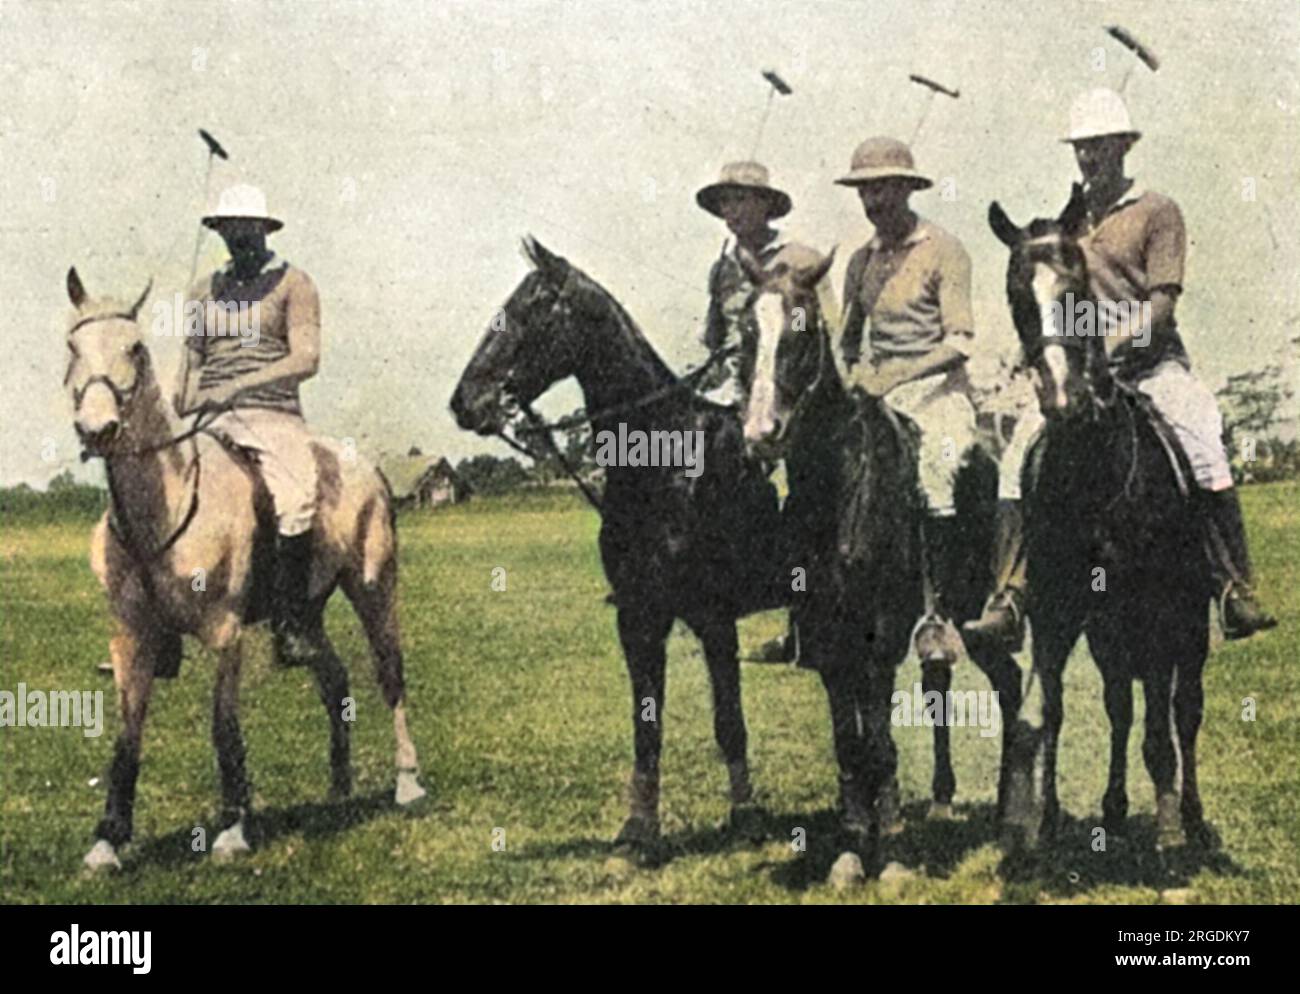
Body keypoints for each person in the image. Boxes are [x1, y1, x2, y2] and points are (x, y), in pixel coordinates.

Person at [965, 88, 1276, 646]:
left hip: (1153, 367)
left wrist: (1109, 344)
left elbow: (1161, 303)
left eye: (1101, 146)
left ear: (1124, 147)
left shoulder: (1157, 211)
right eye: (1082, 147)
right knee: (1016, 457)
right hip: (1082, 376)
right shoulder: (1071, 223)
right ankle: (1010, 593)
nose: (1090, 157)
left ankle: (1232, 587)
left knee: (1203, 435)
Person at [836, 137, 980, 665]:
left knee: (936, 469)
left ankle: (936, 615)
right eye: (864, 190)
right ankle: (810, 610)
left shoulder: (944, 249)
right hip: (879, 395)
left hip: (938, 389)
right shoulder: (859, 262)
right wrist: (858, 377)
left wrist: (898, 375)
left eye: (882, 189)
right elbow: (847, 342)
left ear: (905, 189)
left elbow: (960, 341)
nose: (872, 202)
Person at [175, 183, 325, 666]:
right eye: (227, 228)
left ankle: (291, 625)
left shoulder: (293, 284)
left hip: (270, 414)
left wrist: (239, 386)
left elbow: (306, 358)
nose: (236, 237)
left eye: (245, 228)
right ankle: (157, 632)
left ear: (263, 229)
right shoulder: (203, 292)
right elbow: (192, 362)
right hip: (211, 420)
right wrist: (184, 393)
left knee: (296, 498)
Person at [695, 161, 833, 661]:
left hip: (791, 392)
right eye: (725, 202)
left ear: (766, 206)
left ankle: (801, 616)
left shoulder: (800, 260)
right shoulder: (723, 268)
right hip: (735, 390)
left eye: (742, 200)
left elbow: (819, 333)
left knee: (804, 497)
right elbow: (714, 340)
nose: (732, 211)